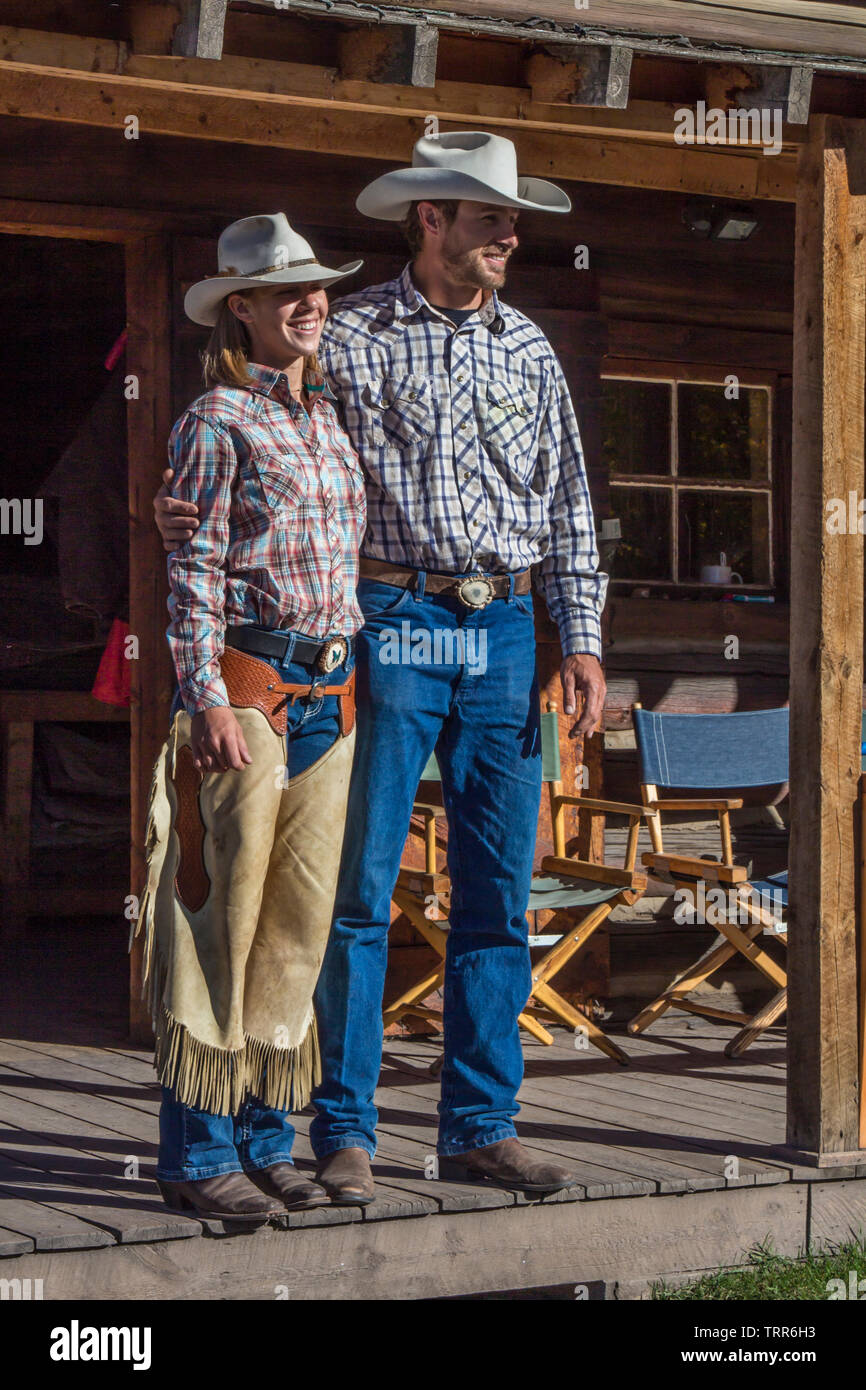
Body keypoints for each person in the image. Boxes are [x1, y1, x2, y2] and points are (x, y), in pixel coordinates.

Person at [154, 132, 607, 1205]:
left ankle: (479, 1126)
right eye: (487, 216)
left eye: (511, 219)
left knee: (495, 888)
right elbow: (244, 419)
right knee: (353, 892)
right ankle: (340, 1130)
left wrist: (578, 633)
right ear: (429, 220)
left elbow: (566, 501)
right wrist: (178, 512)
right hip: (389, 615)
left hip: (501, 630)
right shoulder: (347, 338)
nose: (508, 234)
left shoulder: (530, 349)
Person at [138, 213, 365, 1222]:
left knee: (294, 935)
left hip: (331, 695)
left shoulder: (327, 416)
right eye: (288, 293)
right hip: (250, 688)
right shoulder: (211, 420)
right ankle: (197, 1150)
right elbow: (192, 569)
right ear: (243, 309)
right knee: (217, 925)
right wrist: (207, 697)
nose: (311, 304)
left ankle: (271, 1142)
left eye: (317, 289)